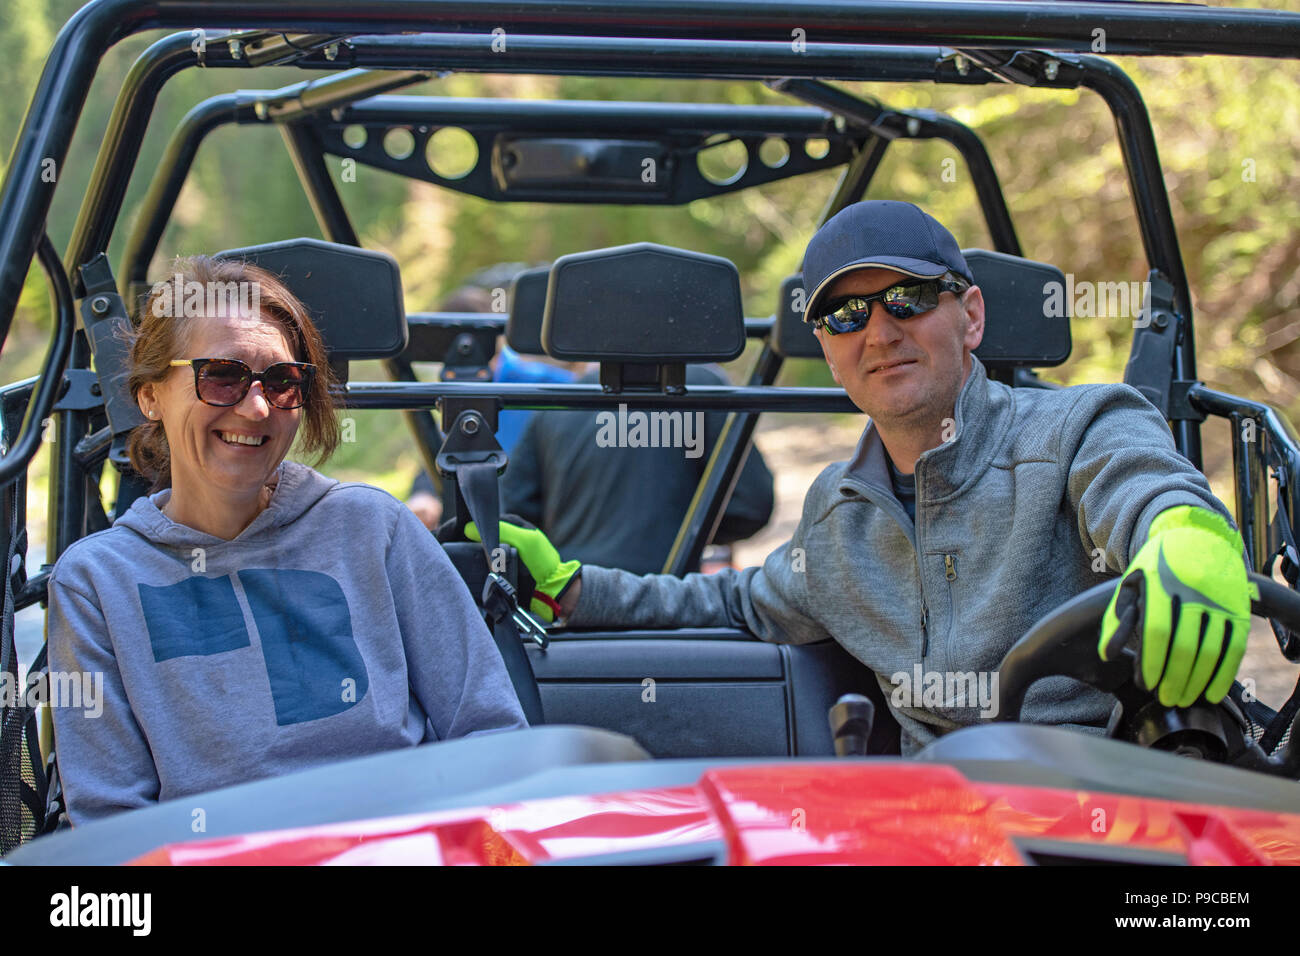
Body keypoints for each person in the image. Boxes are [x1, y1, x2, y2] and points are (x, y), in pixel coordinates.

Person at [484, 200, 1252, 754]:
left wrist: (1185, 534)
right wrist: (578, 588)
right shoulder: (838, 515)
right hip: (934, 825)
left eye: (909, 299)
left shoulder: (1077, 427)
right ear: (827, 347)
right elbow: (735, 602)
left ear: (972, 316)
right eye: (846, 316)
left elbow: (1148, 489)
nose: (880, 332)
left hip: (1117, 799)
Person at [46, 256, 527, 825]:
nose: (256, 408)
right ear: (150, 396)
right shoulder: (97, 582)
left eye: (281, 382)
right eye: (221, 375)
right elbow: (112, 822)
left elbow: (491, 737)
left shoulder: (375, 531)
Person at [501, 363, 776, 574]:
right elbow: (752, 505)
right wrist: (685, 532)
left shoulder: (559, 402)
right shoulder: (703, 388)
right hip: (673, 596)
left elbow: (513, 510)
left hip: (573, 596)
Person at [406, 284, 578, 530]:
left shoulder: (549, 385)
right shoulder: (450, 389)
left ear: (497, 337)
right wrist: (424, 494)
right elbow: (444, 449)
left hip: (540, 517)